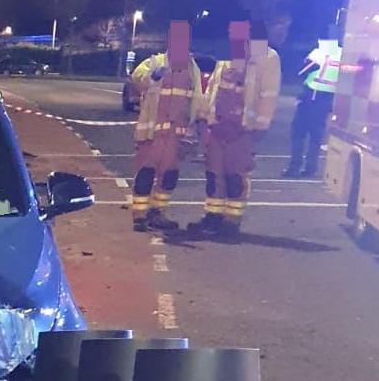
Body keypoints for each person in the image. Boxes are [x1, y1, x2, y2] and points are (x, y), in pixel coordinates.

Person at [190, 20, 281, 241]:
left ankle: (232, 222)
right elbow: (213, 88)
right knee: (214, 175)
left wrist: (260, 126)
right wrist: (204, 116)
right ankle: (213, 217)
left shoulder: (266, 57)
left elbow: (268, 94)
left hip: (242, 129)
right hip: (218, 125)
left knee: (235, 177)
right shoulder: (229, 56)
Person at [128, 21, 204, 232]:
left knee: (169, 177)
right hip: (152, 134)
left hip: (176, 136)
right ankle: (140, 217)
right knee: (145, 174)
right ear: (169, 40)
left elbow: (197, 98)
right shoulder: (155, 62)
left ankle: (158, 213)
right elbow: (137, 78)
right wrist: (153, 76)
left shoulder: (192, 68)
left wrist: (195, 129)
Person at [284, 35, 341, 177]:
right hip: (327, 101)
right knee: (316, 137)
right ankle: (311, 168)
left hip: (311, 99)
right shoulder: (341, 54)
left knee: (298, 134)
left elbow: (301, 71)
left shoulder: (320, 53)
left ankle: (294, 167)